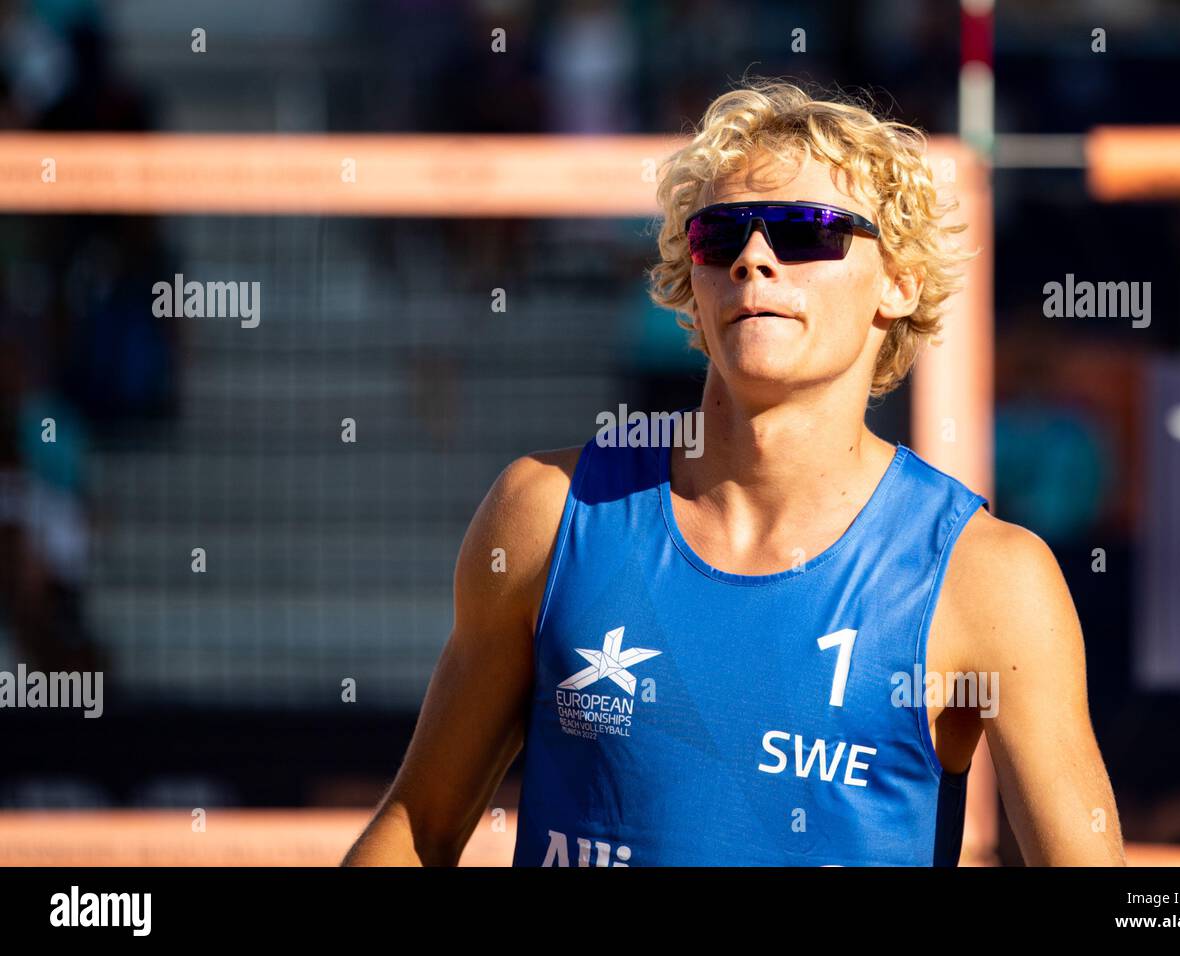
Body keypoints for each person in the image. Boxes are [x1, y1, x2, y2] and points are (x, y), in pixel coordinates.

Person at [343, 77, 1126, 866]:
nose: (754, 258)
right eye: (720, 235)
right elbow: (419, 827)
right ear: (693, 278)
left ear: (898, 283)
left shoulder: (987, 577)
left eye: (807, 232)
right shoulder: (546, 512)